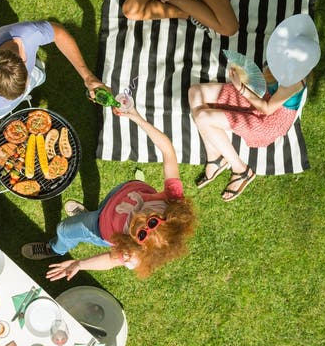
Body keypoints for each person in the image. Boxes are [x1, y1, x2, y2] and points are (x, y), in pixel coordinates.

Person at [21, 102, 196, 279]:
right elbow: (168, 151)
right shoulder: (173, 200)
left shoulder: (134, 253)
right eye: (152, 220)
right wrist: (136, 117)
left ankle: (55, 248)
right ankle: (94, 213)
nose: (140, 219)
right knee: (102, 209)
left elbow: (111, 260)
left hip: (100, 227)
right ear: (169, 215)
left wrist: (79, 264)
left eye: (141, 233)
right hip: (121, 195)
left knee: (65, 228)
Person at [188, 14, 320, 202]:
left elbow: (267, 109)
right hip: (260, 97)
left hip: (268, 121)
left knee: (202, 117)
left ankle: (241, 170)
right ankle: (215, 158)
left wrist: (240, 88)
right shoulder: (283, 57)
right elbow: (264, 86)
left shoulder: (295, 82)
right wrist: (244, 79)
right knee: (195, 93)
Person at [0, 20, 103, 163]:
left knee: (40, 75)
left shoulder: (28, 34)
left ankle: (31, 77)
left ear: (23, 59)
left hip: (21, 79)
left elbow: (59, 33)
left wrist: (87, 76)